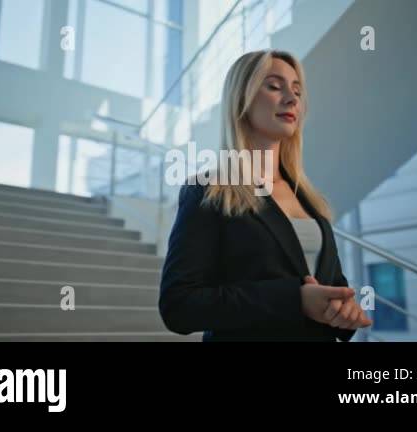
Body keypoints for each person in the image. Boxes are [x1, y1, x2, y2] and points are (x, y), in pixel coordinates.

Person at [159, 50, 372, 341]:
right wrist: (293, 299)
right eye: (274, 86)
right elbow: (179, 307)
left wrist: (342, 311)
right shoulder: (208, 191)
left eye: (297, 90)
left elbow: (329, 285)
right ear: (241, 101)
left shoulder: (310, 199)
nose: (292, 98)